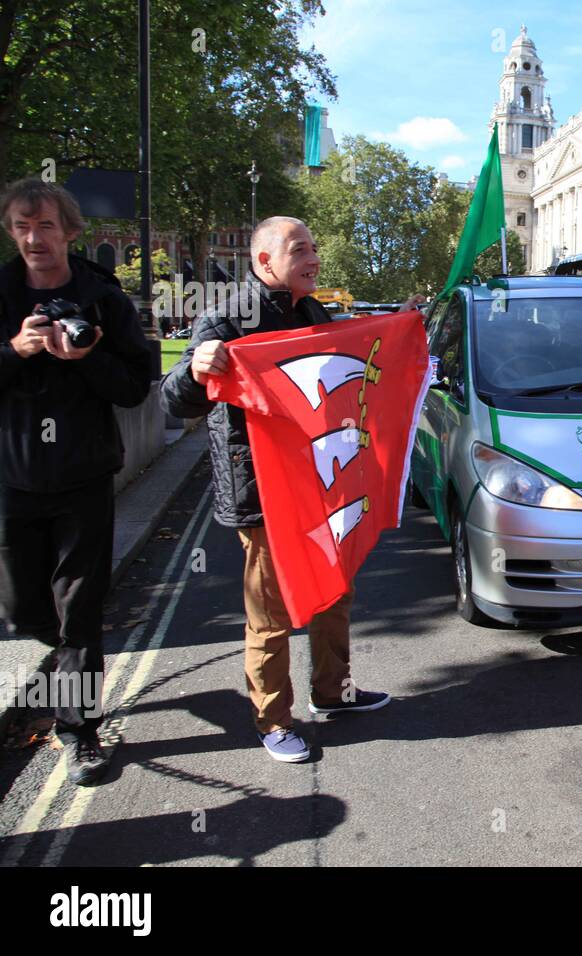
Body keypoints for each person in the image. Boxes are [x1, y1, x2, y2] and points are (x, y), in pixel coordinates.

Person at [160, 216, 390, 763]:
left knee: (334, 590)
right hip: (261, 489)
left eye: (313, 245)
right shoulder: (226, 317)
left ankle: (333, 693)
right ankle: (273, 721)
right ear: (265, 262)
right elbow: (175, 400)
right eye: (300, 248)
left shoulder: (313, 312)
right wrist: (195, 371)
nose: (314, 256)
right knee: (270, 611)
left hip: (320, 483)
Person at [0, 179, 152, 785]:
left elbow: (135, 385)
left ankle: (80, 730)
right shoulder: (1, 293)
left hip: (84, 476)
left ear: (69, 231)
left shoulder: (103, 299)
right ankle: (62, 652)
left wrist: (85, 356)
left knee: (80, 615)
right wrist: (17, 349)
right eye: (21, 226)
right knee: (24, 609)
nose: (34, 238)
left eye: (45, 226)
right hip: (14, 477)